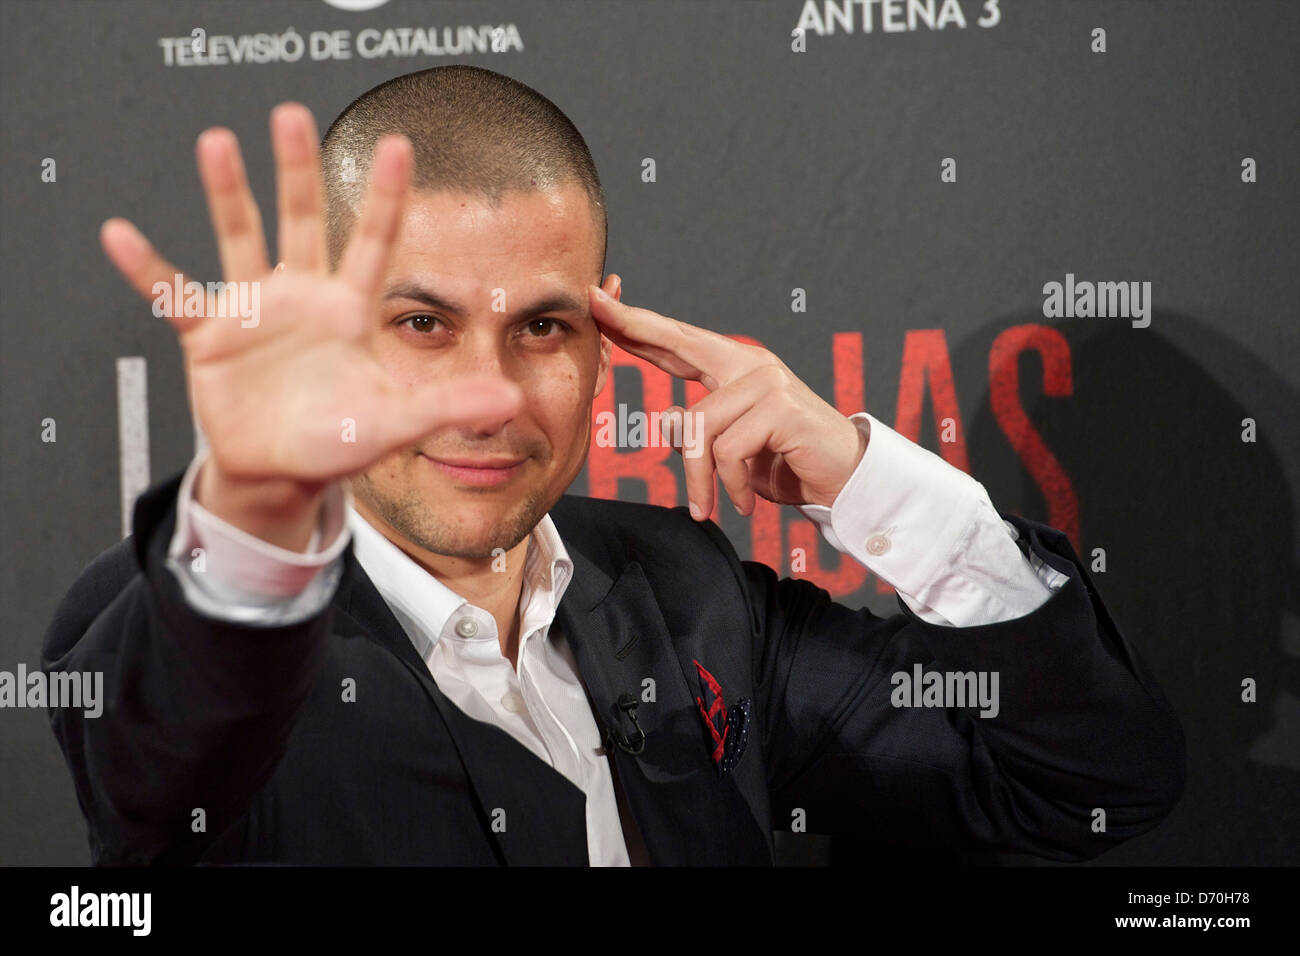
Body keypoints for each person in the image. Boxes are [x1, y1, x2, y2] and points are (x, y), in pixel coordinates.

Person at [43, 65, 1184, 866]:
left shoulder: (688, 592)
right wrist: (249, 520)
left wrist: (862, 478)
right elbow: (164, 745)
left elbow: (1086, 782)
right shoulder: (186, 635)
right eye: (420, 324)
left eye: (541, 326)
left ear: (606, 337)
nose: (486, 396)